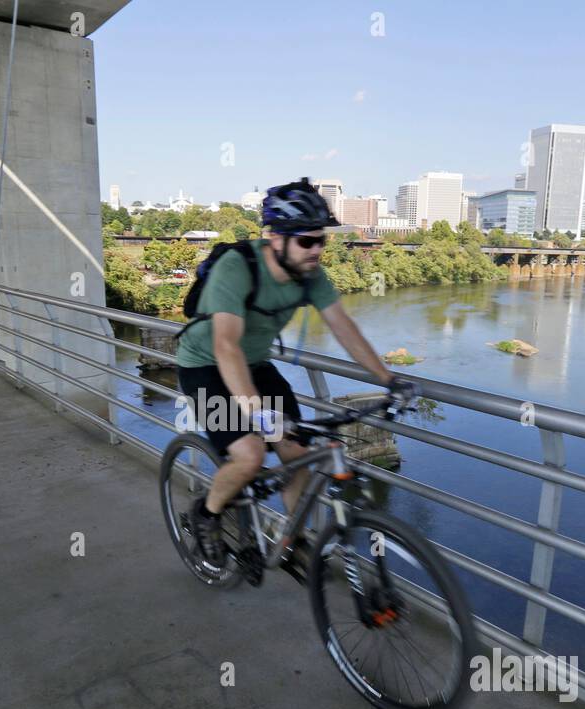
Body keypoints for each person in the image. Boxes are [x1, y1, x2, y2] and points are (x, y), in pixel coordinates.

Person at [173, 177, 416, 567]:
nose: (316, 249)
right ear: (275, 239)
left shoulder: (311, 276)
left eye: (321, 240)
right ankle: (206, 515)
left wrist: (388, 379)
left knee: (296, 451)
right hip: (206, 365)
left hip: (254, 366)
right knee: (250, 456)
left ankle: (291, 537)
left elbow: (343, 327)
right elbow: (225, 346)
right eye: (307, 241)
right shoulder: (238, 268)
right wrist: (255, 413)